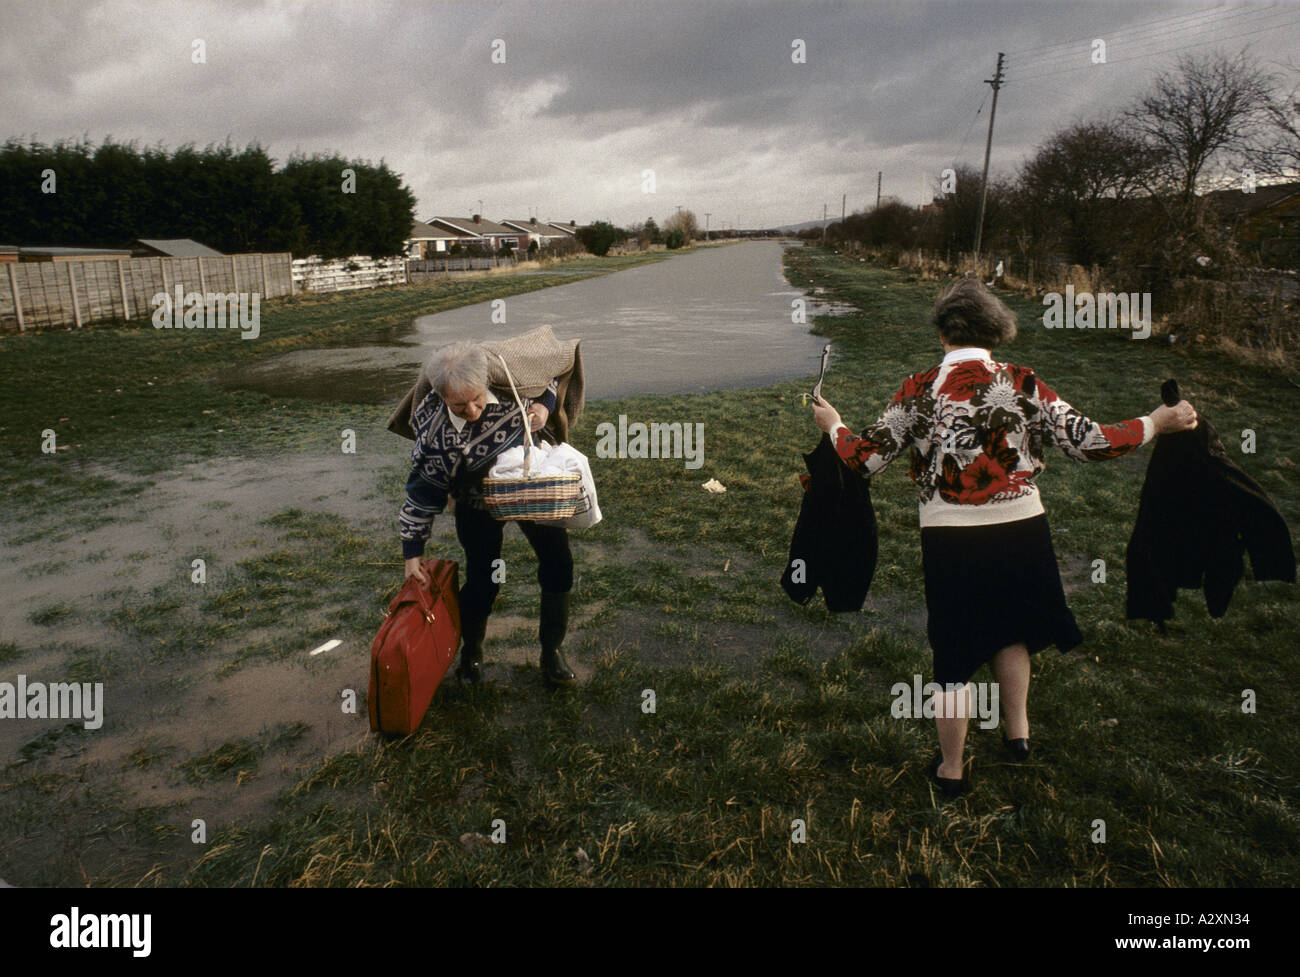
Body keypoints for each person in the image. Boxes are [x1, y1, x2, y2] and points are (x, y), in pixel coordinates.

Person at [809, 277, 1197, 796]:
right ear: (995, 330)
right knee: (1014, 630)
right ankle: (1019, 735)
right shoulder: (1023, 382)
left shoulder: (918, 387)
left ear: (944, 333)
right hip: (1023, 530)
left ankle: (952, 768)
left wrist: (834, 423)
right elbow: (1090, 443)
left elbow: (866, 459)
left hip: (950, 537)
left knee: (953, 651)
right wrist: (1155, 422)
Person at [398, 340, 577, 688]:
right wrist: (412, 551)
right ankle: (472, 652)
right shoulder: (435, 432)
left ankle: (551, 652)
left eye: (477, 398)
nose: (474, 409)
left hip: (530, 489)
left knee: (559, 562)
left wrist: (544, 404)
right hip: (475, 502)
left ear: (486, 382)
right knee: (484, 580)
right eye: (459, 404)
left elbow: (552, 368)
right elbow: (421, 494)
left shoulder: (510, 381)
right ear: (440, 396)